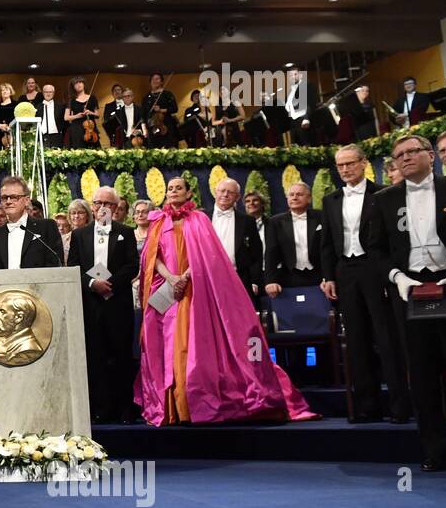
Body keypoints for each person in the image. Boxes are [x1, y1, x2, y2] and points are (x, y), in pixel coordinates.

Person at [135, 177, 316, 425]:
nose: (173, 191)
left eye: (179, 188)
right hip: (168, 289)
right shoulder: (158, 221)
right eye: (170, 188)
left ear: (189, 193)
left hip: (195, 289)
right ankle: (173, 407)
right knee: (167, 343)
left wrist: (185, 277)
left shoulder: (199, 219)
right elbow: (151, 258)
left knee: (192, 344)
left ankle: (193, 402)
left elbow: (206, 255)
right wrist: (172, 278)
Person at [366, 134, 446, 471]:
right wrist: (396, 277)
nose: (404, 159)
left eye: (411, 152)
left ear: (429, 155)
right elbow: (374, 250)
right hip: (409, 293)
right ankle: (436, 450)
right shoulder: (384, 199)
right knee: (421, 375)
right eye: (398, 155)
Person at [321, 145, 411, 423]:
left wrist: (389, 274)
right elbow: (326, 244)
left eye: (350, 163)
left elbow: (392, 240)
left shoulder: (383, 193)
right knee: (356, 340)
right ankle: (367, 407)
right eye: (340, 165)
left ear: (363, 163)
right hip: (345, 272)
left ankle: (399, 407)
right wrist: (328, 276)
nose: (345, 169)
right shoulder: (330, 200)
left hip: (376, 270)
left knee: (387, 339)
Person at [71, 187, 139, 423]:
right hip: (91, 307)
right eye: (98, 202)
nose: (102, 207)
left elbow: (132, 266)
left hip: (118, 304)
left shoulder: (126, 232)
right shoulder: (79, 235)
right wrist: (92, 283)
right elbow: (74, 268)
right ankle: (99, 409)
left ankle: (125, 409)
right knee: (94, 358)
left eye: (108, 204)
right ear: (92, 206)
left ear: (116, 207)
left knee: (121, 357)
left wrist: (108, 284)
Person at [0, 176, 62, 269]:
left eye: (14, 197)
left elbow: (55, 264)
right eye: (4, 198)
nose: (8, 201)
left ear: (26, 201)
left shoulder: (46, 227)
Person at [264, 182, 324, 296]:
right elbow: (271, 253)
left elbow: (328, 249)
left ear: (309, 198)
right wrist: (270, 281)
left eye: (299, 194)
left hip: (319, 276)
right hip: (289, 276)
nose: (295, 198)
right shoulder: (275, 222)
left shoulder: (322, 217)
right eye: (291, 195)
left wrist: (328, 277)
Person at [209, 178, 264, 298]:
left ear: (237, 197)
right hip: (208, 279)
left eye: (230, 192)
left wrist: (254, 280)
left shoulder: (247, 221)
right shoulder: (202, 217)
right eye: (222, 191)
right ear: (215, 192)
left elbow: (256, 253)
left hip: (239, 279)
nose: (225, 194)